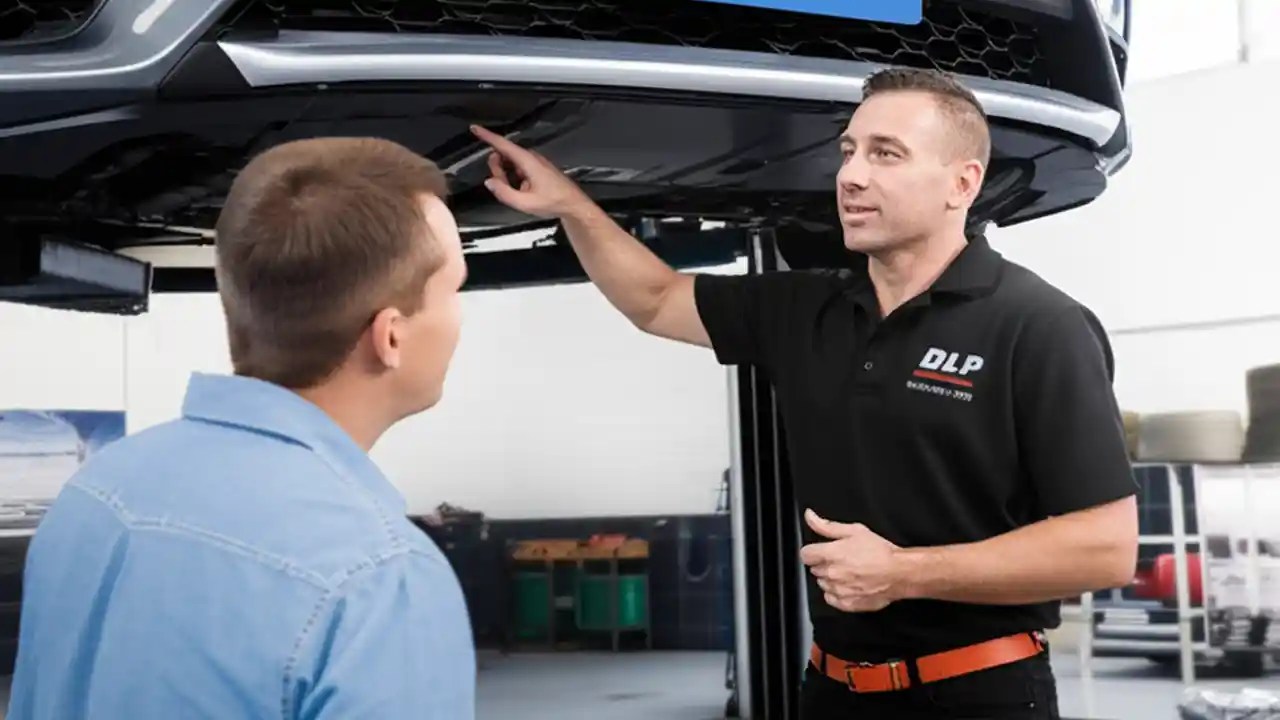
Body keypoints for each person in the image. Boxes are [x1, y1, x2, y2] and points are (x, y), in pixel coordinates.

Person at [470, 67, 1139, 719]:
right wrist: (570, 204)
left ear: (961, 184)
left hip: (979, 692)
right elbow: (654, 299)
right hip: (831, 689)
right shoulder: (805, 309)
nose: (851, 175)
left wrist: (905, 572)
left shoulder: (1038, 324)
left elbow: (1105, 546)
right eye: (849, 152)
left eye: (887, 154)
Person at [8, 137, 475, 719]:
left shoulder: (98, 491)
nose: (461, 315)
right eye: (455, 288)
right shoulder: (380, 578)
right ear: (392, 336)